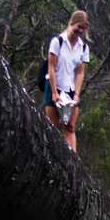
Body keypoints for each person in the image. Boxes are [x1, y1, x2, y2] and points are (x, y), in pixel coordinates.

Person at [44, 10, 92, 155]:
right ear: (72, 23)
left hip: (70, 90)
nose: (80, 31)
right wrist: (54, 92)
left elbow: (80, 72)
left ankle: (73, 162)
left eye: (83, 29)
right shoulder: (57, 41)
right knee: (53, 126)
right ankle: (52, 157)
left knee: (70, 127)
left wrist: (76, 94)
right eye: (79, 26)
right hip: (54, 86)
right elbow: (51, 67)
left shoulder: (83, 47)